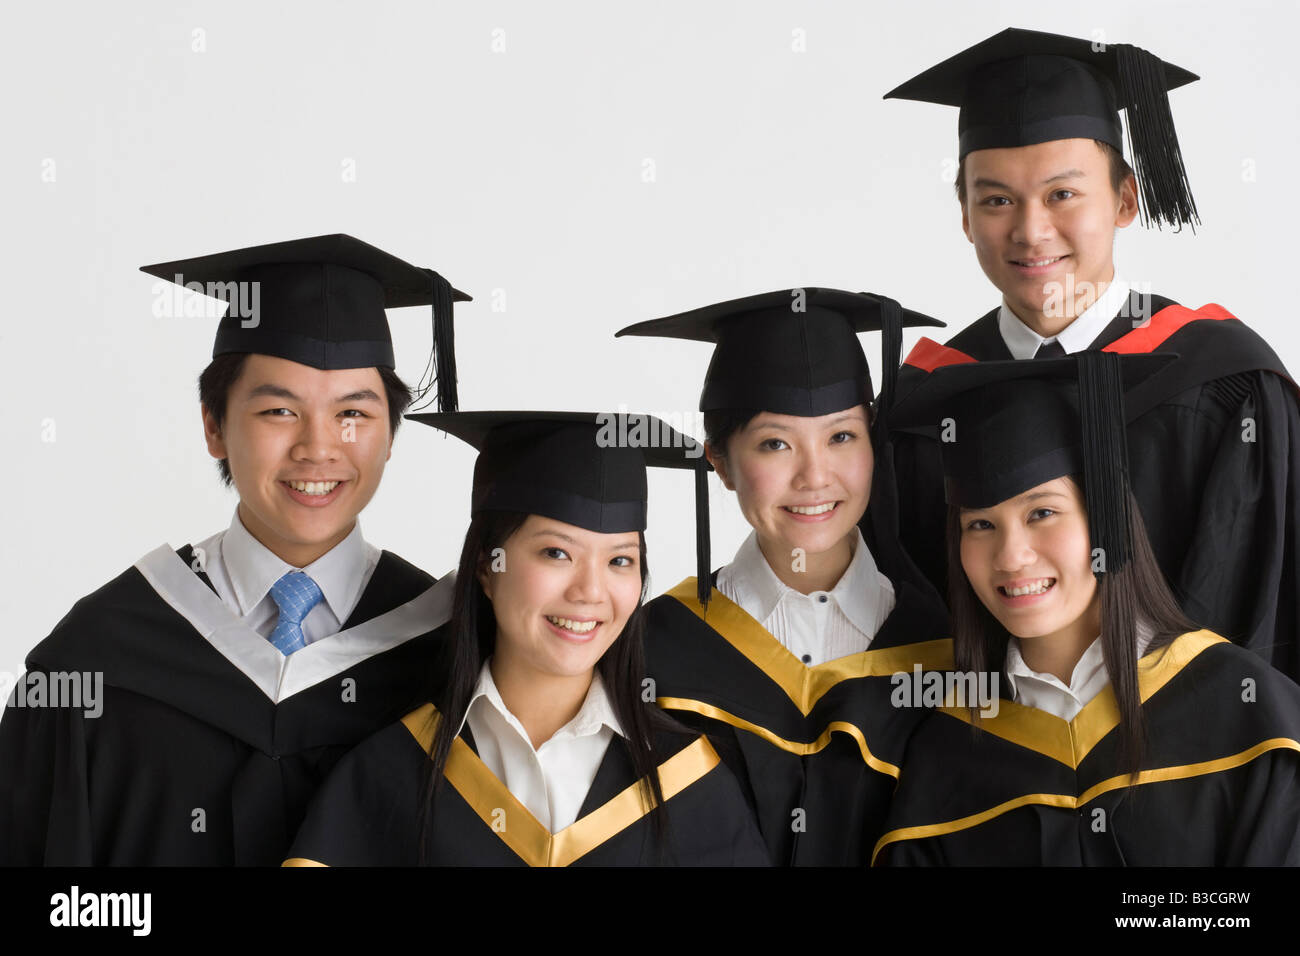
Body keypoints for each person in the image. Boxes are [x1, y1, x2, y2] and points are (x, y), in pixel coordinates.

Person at [0, 234, 469, 865]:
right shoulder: (100, 657)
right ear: (214, 426)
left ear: (391, 435)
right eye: (279, 410)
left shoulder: (454, 653)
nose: (319, 448)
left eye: (354, 414)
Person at [883, 27, 1300, 681]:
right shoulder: (924, 402)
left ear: (1126, 199)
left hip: (1194, 769)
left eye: (1062, 194)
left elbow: (1260, 614)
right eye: (996, 200)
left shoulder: (1222, 381)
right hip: (993, 769)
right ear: (963, 214)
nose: (1030, 230)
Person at [284, 412, 769, 866]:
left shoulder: (692, 788)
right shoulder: (387, 777)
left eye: (619, 560)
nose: (590, 592)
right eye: (556, 553)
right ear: (486, 568)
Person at [875, 351, 1300, 865]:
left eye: (1043, 512)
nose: (1011, 557)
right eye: (979, 524)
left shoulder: (1249, 715)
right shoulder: (943, 756)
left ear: (1107, 520)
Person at [615, 288, 954, 865]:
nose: (814, 477)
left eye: (842, 436)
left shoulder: (949, 649)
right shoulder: (652, 648)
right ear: (718, 461)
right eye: (775, 444)